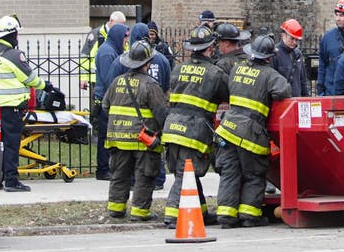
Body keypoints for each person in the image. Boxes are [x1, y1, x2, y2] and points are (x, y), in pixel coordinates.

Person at [215, 34, 291, 228]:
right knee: (254, 174)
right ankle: (249, 216)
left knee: (230, 173)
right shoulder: (270, 75)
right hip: (251, 132)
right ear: (269, 57)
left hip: (228, 128)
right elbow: (284, 91)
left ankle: (226, 216)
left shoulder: (236, 68)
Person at [160, 26, 231, 228]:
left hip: (172, 127)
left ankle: (202, 211)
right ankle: (173, 214)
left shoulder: (178, 69)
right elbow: (228, 95)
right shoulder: (215, 73)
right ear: (210, 48)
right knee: (186, 173)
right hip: (193, 131)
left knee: (185, 172)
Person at [102, 40, 169, 221]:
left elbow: (105, 106)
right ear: (147, 63)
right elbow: (162, 113)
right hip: (142, 140)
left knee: (119, 174)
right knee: (145, 174)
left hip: (117, 138)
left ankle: (116, 209)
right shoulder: (151, 85)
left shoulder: (117, 82)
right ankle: (140, 211)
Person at [0, 15, 57, 192]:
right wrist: (47, 86)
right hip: (11, 108)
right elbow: (30, 78)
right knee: (12, 145)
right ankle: (11, 181)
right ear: (12, 35)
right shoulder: (13, 55)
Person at [92, 22, 130, 180]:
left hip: (107, 100)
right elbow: (110, 80)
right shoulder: (108, 53)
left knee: (108, 135)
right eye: (125, 37)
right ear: (118, 36)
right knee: (105, 136)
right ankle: (103, 169)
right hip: (105, 101)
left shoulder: (111, 50)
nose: (126, 41)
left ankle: (107, 167)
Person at [78, 10, 125, 92]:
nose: (121, 28)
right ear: (111, 21)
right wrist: (83, 77)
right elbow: (84, 56)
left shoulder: (122, 34)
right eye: (119, 24)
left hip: (116, 77)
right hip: (96, 78)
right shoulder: (95, 34)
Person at [317, 0, 344, 95]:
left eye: (341, 15)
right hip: (331, 91)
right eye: (336, 15)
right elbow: (322, 65)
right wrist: (321, 91)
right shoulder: (328, 38)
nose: (337, 18)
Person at [272, 18, 309, 97]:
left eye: (297, 40)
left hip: (297, 99)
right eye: (292, 38)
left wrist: (307, 98)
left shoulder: (298, 53)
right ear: (283, 35)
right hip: (282, 100)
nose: (294, 42)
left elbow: (303, 80)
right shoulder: (275, 54)